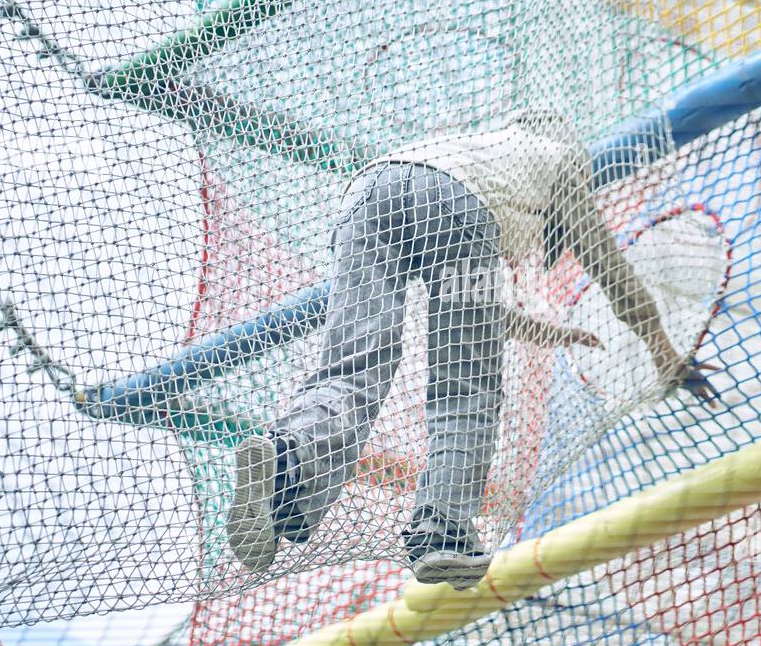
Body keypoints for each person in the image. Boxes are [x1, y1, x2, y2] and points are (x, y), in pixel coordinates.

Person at [227, 111, 718, 588]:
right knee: (466, 387)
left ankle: (289, 466)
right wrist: (661, 348)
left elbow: (481, 312)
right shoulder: (562, 157)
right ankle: (443, 529)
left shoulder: (483, 152)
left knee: (354, 363)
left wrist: (552, 333)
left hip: (366, 198)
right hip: (459, 212)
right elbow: (609, 266)